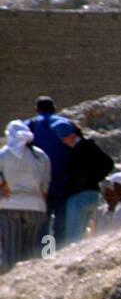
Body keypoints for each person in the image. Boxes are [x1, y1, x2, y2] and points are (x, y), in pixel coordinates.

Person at [24, 96, 77, 244]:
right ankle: (58, 255)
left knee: (42, 225)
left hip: (38, 186)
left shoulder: (29, 126)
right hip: (64, 183)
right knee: (61, 225)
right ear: (54, 109)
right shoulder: (65, 124)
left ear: (36, 110)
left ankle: (44, 257)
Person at [0, 121, 51, 272]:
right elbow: (45, 188)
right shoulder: (41, 156)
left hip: (9, 208)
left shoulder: (4, 154)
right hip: (36, 208)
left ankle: (11, 288)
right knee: (29, 250)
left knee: (11, 250)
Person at [60, 122, 115, 243]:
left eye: (63, 137)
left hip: (78, 196)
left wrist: (87, 179)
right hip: (93, 195)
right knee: (85, 235)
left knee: (73, 237)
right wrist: (94, 179)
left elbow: (108, 163)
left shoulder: (79, 149)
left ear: (71, 135)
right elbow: (108, 164)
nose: (63, 141)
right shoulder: (89, 146)